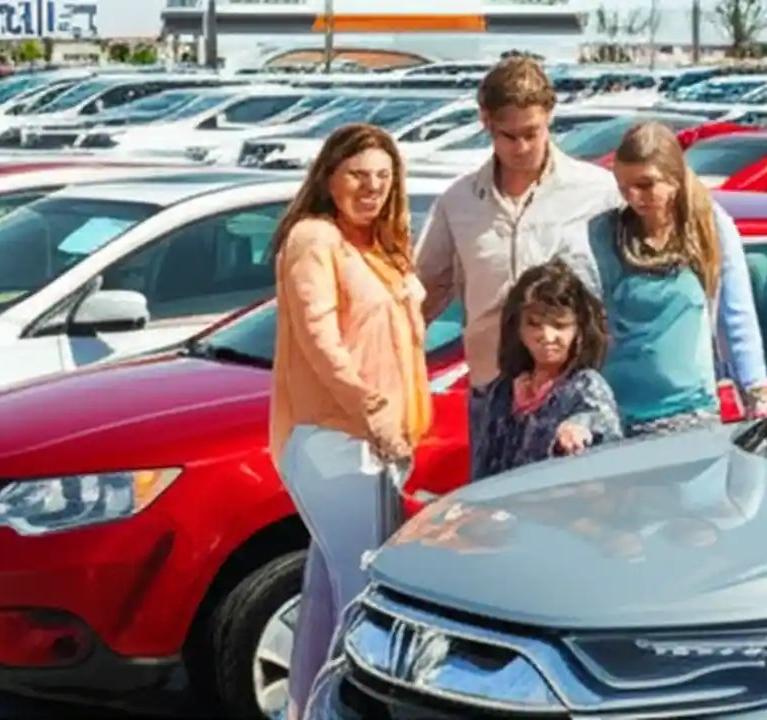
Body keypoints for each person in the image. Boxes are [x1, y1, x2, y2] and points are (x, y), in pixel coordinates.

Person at [268, 123, 432, 720]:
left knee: (327, 589)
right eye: (359, 175)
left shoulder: (381, 246)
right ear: (329, 175)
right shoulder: (315, 238)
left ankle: (305, 707)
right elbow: (321, 342)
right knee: (363, 593)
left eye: (383, 178)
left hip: (384, 442)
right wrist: (372, 411)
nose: (372, 188)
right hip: (337, 439)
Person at [415, 56, 623, 478]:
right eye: (509, 136)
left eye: (533, 133)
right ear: (485, 122)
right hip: (493, 391)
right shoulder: (459, 201)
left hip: (571, 398)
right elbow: (424, 293)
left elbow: (632, 287)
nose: (522, 147)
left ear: (550, 116)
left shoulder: (598, 192)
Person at [588, 121, 767, 437]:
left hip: (690, 411)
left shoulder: (710, 227)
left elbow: (737, 315)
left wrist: (754, 394)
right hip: (617, 412)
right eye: (624, 186)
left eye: (646, 185)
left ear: (674, 179)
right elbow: (586, 315)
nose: (634, 197)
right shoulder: (605, 232)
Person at [474, 259, 623, 479]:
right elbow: (484, 466)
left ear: (579, 329)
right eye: (534, 324)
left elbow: (604, 424)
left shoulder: (585, 387)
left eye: (560, 325)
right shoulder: (502, 392)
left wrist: (579, 427)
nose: (547, 336)